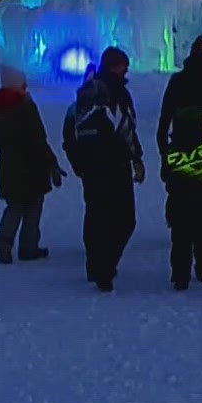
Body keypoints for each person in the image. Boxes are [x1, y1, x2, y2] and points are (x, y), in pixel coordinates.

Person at [62, 46, 144, 291]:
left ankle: (99, 264)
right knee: (111, 218)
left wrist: (136, 157)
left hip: (105, 166)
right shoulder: (99, 94)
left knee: (106, 217)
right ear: (112, 66)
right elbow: (117, 129)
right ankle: (103, 267)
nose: (126, 70)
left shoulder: (114, 93)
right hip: (104, 166)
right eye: (122, 65)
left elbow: (127, 127)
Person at [0, 65, 64, 264]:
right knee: (33, 208)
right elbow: (37, 138)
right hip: (31, 165)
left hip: (9, 166)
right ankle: (28, 246)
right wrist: (51, 162)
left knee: (15, 207)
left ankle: (4, 242)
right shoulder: (24, 107)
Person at [160, 105, 202, 290]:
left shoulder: (172, 148)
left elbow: (165, 174)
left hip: (178, 201)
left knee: (180, 239)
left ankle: (180, 275)